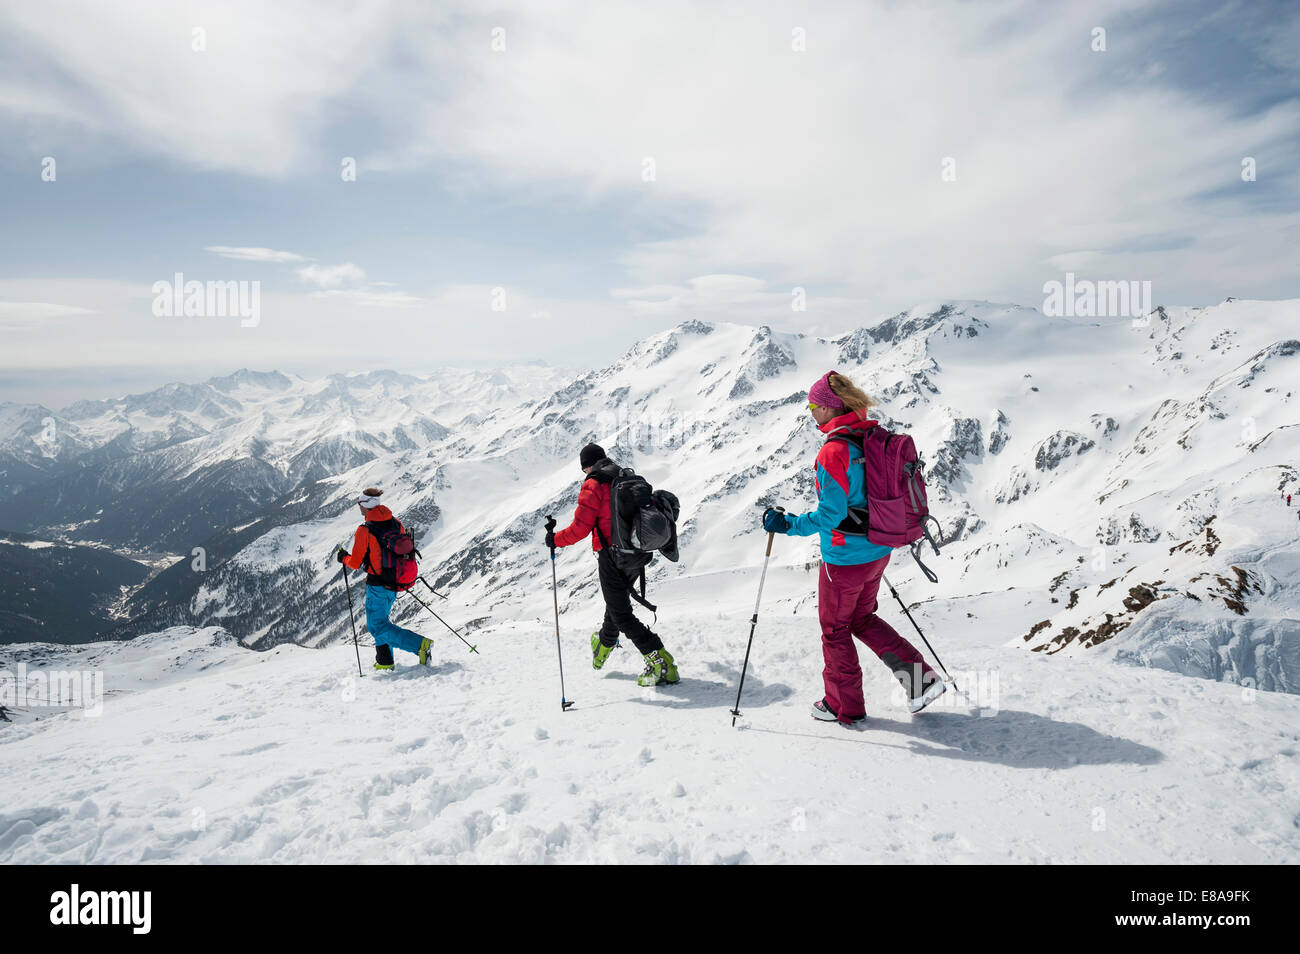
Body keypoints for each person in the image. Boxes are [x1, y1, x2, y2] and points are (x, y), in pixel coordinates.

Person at [762, 371, 945, 725]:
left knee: (835, 630)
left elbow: (831, 514)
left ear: (830, 409)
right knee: (861, 618)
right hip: (879, 548)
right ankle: (921, 683)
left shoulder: (834, 451)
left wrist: (788, 525)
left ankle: (841, 706)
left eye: (814, 406)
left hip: (844, 559)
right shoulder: (871, 437)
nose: (811, 412)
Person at [547, 443, 680, 687]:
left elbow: (580, 529)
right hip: (636, 553)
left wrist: (554, 540)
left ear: (586, 466)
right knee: (616, 604)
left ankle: (662, 664)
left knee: (621, 614)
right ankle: (604, 645)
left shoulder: (593, 484)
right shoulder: (624, 476)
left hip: (612, 557)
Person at [337, 488, 432, 670]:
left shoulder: (365, 530)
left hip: (378, 585)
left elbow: (356, 563)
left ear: (365, 505)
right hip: (394, 582)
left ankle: (420, 645)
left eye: (360, 504)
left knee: (377, 627)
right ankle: (384, 662)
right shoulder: (395, 522)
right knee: (381, 622)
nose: (359, 507)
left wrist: (344, 558)